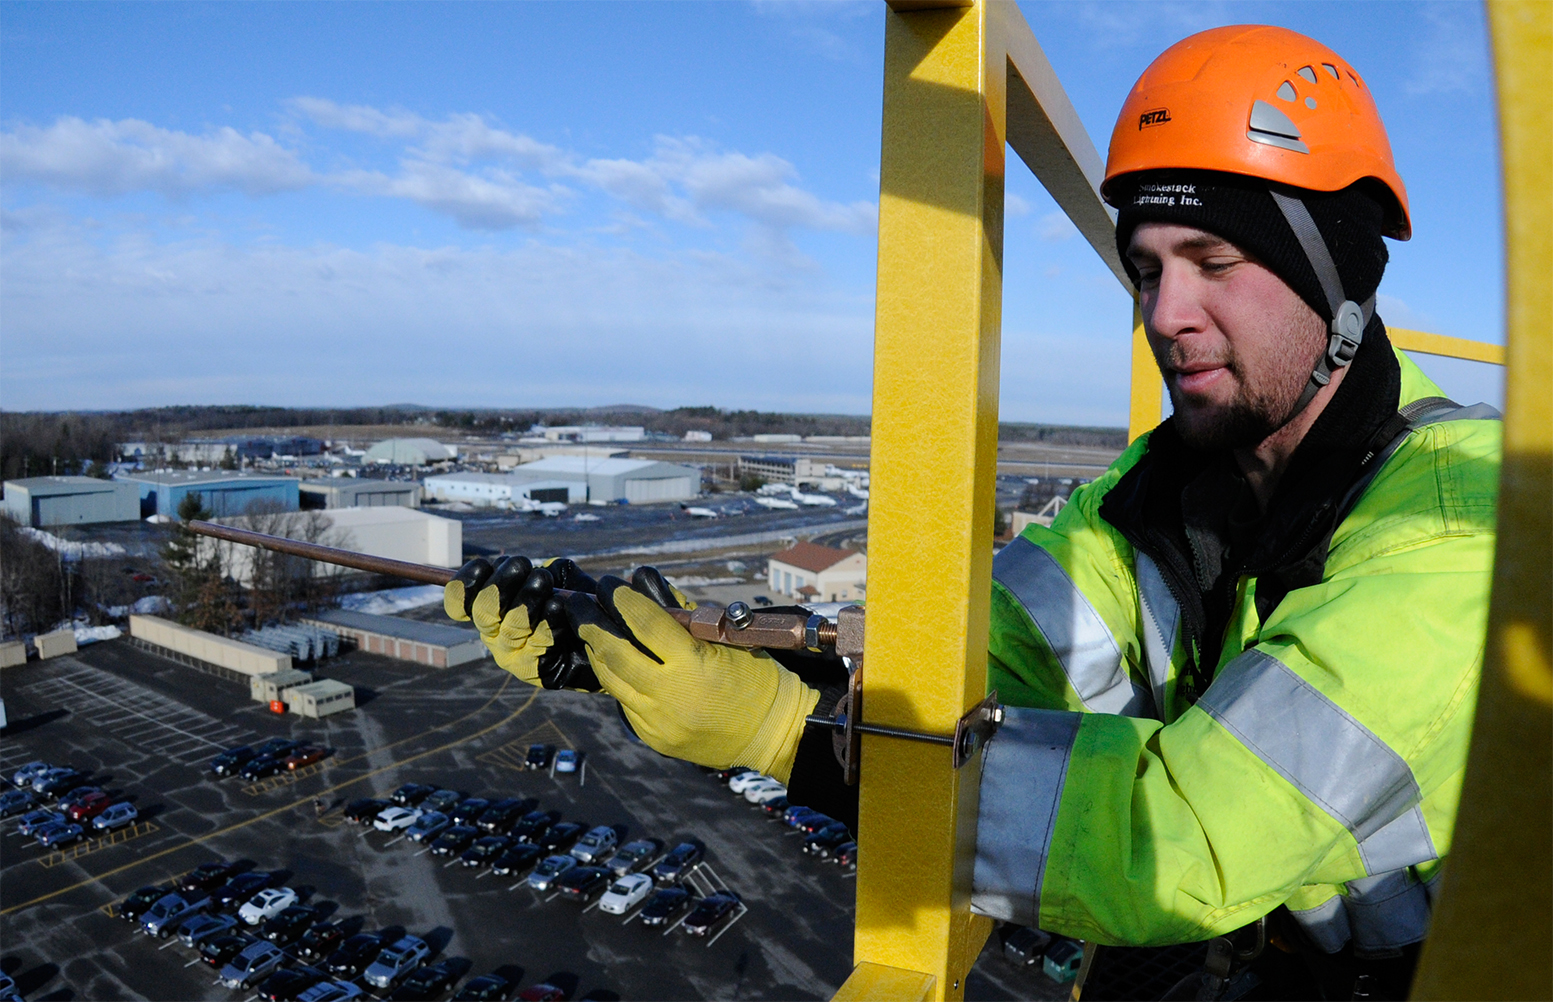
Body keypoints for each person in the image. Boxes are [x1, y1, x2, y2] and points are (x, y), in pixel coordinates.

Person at [443, 25, 1498, 1000]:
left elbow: (1182, 836)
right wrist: (685, 658)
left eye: (1214, 262)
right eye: (1143, 269)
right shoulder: (1160, 493)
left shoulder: (1460, 528)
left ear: (1336, 281)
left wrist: (782, 736)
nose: (1164, 313)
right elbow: (983, 661)